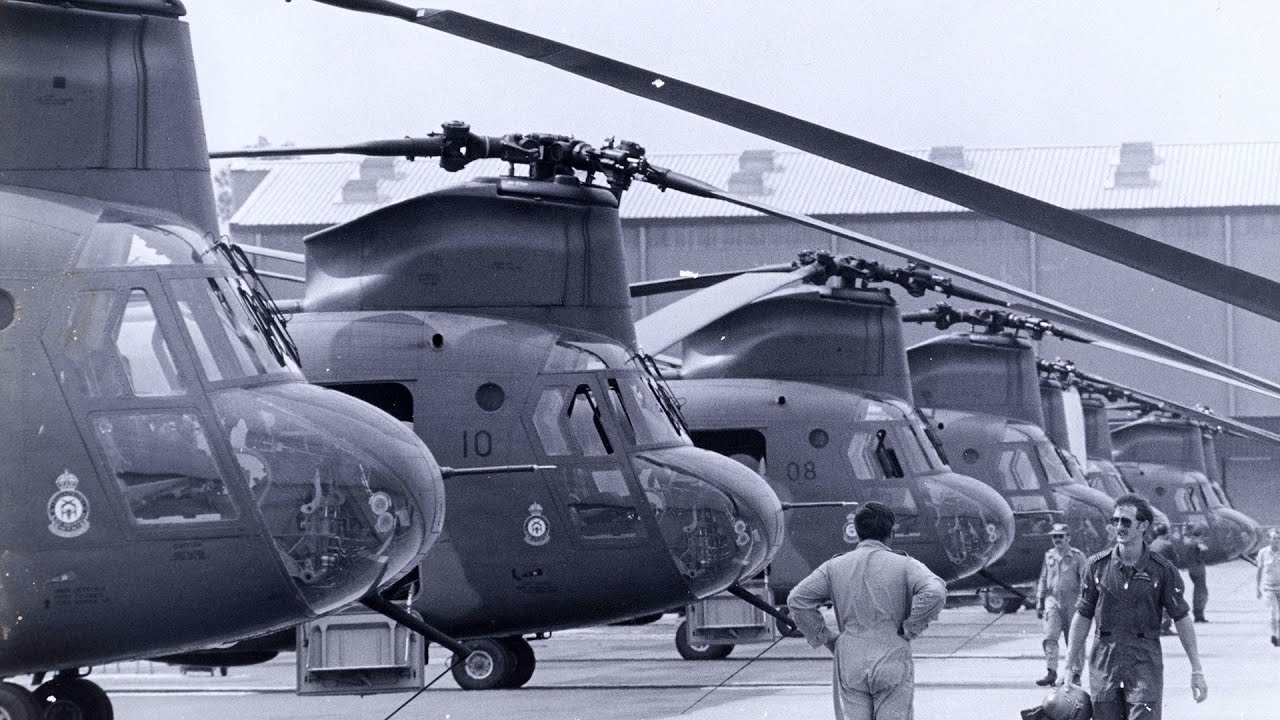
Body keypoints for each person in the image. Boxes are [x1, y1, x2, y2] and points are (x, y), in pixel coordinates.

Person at [787, 501, 946, 720]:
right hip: (892, 655)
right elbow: (935, 592)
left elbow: (797, 599)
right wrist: (911, 626)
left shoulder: (833, 567)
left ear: (857, 532)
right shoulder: (906, 565)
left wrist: (826, 637)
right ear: (890, 533)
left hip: (850, 657)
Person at [1064, 493, 1208, 719]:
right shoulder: (1096, 567)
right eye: (1115, 520)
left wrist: (1196, 669)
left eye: (1126, 521)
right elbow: (1082, 616)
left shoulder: (1162, 570)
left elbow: (1181, 618)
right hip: (1104, 659)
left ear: (1143, 525)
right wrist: (1069, 665)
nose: (1119, 527)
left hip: (1144, 660)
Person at [1034, 522, 1088, 686]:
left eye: (1060, 536)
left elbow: (1085, 581)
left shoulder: (1078, 557)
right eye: (1054, 536)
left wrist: (1085, 602)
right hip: (1053, 600)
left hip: (1073, 601)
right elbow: (1043, 578)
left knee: (1074, 639)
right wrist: (1039, 600)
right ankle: (1051, 672)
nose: (1057, 539)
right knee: (1050, 636)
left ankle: (1076, 673)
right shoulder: (1049, 556)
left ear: (1068, 538)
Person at [1147, 523, 1179, 636]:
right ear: (1166, 532)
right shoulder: (1167, 544)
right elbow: (1176, 560)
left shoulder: (1151, 544)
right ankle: (1164, 627)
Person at [1182, 523, 1210, 622]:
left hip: (1191, 569)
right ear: (1201, 534)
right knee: (1201, 592)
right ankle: (1199, 615)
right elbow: (1204, 549)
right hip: (1198, 569)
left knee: (1199, 591)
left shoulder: (1188, 541)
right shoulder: (1197, 543)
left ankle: (1198, 613)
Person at [1257, 528, 1280, 647]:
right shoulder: (1263, 553)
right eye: (1274, 538)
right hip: (1269, 587)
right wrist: (1257, 588)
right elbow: (1259, 571)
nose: (1276, 541)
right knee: (1272, 612)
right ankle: (1274, 635)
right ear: (1269, 540)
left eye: (1278, 538)